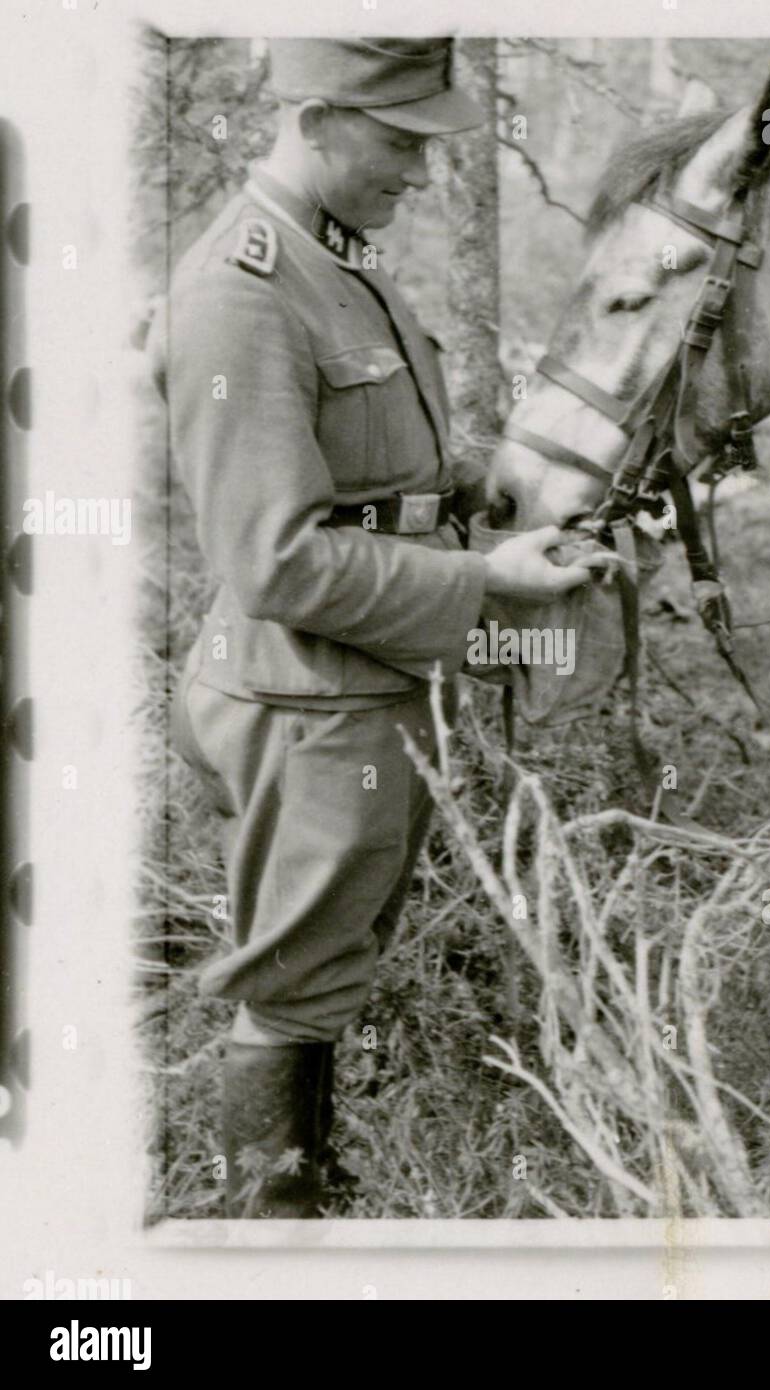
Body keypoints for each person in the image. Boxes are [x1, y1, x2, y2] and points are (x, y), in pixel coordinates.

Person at [150, 36, 602, 1217]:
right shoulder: (238, 293)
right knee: (291, 984)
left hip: (354, 684)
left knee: (325, 964)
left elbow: (363, 465)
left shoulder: (331, 258)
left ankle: (307, 1186)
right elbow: (273, 559)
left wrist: (480, 481)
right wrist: (486, 581)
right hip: (304, 698)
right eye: (398, 140)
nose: (421, 170)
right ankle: (273, 1226)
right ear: (313, 120)